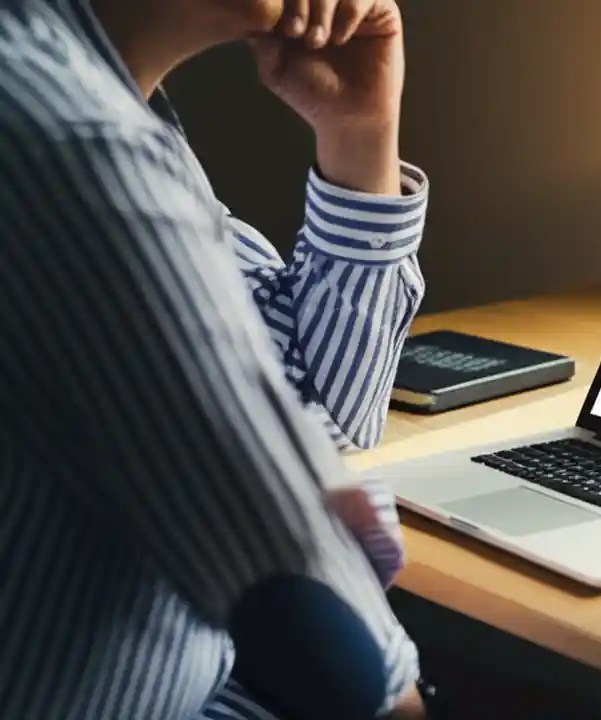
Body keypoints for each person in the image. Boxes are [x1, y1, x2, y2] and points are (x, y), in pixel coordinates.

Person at [0, 0, 433, 717]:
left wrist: (360, 136)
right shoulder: (68, 143)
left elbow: (321, 416)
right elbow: (333, 649)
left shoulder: (119, 112)